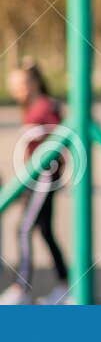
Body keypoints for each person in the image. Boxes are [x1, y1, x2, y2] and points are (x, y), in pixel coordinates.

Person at [1, 59, 71, 305]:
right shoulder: (34, 106)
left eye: (21, 84)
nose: (17, 90)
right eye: (13, 85)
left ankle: (22, 287)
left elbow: (58, 142)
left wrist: (50, 175)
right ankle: (65, 286)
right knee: (45, 232)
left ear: (34, 83)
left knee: (23, 229)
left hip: (42, 178)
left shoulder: (44, 108)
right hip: (35, 178)